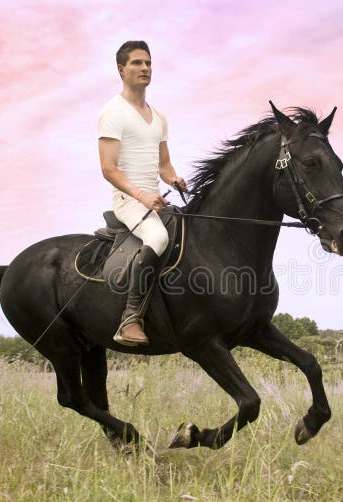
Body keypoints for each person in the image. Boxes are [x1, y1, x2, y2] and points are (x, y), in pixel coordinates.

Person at [98, 40, 187, 346]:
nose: (145, 68)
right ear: (121, 70)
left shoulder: (159, 116)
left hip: (155, 199)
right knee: (159, 238)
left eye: (148, 63)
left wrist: (174, 179)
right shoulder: (113, 112)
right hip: (128, 200)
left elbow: (163, 164)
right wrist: (140, 195)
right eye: (137, 63)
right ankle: (130, 319)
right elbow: (108, 169)